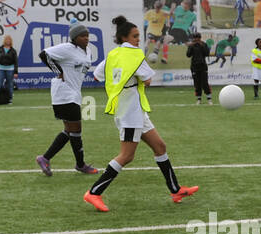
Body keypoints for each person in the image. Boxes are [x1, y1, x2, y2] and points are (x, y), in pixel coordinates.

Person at [83, 15, 198, 212]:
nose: (138, 39)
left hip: (132, 109)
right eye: (135, 36)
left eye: (138, 35)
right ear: (124, 37)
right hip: (129, 112)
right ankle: (94, 193)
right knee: (126, 156)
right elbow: (148, 81)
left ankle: (175, 190)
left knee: (160, 146)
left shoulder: (113, 54)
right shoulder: (135, 55)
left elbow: (97, 75)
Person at [36, 24, 99, 175]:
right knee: (76, 129)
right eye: (82, 36)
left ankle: (45, 158)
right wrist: (58, 71)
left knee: (70, 130)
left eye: (87, 35)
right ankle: (80, 164)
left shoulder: (88, 51)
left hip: (74, 93)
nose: (86, 38)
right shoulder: (66, 48)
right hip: (64, 93)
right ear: (75, 38)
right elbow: (44, 54)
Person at [186, 32, 212, 105]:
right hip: (194, 67)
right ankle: (199, 99)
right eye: (195, 38)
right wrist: (190, 46)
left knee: (205, 83)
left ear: (200, 38)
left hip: (203, 66)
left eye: (197, 38)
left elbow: (207, 53)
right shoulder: (191, 45)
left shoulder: (204, 44)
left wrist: (202, 46)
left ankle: (209, 99)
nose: (196, 39)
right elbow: (188, 55)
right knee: (197, 84)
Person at [143, 0, 169, 65]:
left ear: (160, 8)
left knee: (157, 45)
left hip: (159, 33)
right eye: (156, 7)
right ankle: (143, 56)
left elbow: (170, 15)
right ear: (154, 6)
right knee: (148, 41)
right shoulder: (150, 12)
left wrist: (168, 21)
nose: (157, 9)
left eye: (158, 8)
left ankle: (154, 57)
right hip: (150, 31)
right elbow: (144, 18)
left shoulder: (163, 13)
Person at [0, 36, 17, 105]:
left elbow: (16, 62)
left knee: (10, 85)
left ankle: (9, 99)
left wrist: (15, 72)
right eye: (7, 40)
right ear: (4, 41)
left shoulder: (13, 50)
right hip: (0, 69)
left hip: (10, 69)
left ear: (11, 41)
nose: (8, 41)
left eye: (9, 40)